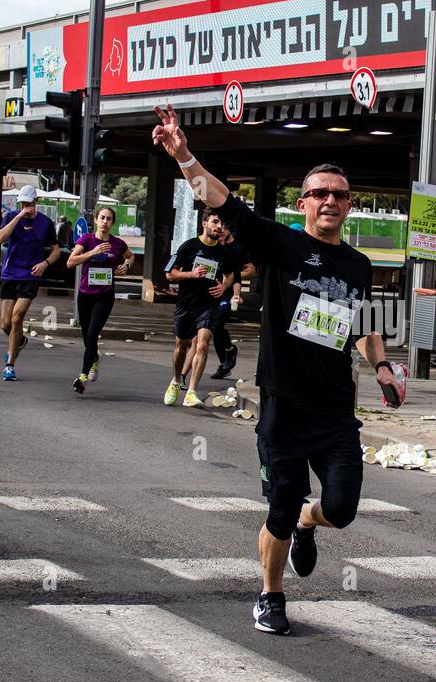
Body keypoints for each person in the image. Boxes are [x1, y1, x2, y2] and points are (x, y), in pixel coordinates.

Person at [152, 104, 402, 636]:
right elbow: (223, 200)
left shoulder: (359, 265)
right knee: (281, 508)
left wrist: (381, 366)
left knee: (340, 508)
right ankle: (270, 594)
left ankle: (312, 524)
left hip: (334, 410)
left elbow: (364, 324)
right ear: (303, 203)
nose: (330, 200)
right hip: (283, 405)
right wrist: (183, 155)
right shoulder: (281, 244)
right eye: (320, 193)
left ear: (349, 205)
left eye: (339, 194)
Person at [164, 207, 236, 409]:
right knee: (181, 345)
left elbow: (230, 275)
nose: (219, 227)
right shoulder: (189, 246)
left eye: (222, 224)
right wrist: (192, 274)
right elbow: (170, 274)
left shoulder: (224, 251)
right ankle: (177, 380)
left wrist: (224, 286)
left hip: (208, 305)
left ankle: (192, 392)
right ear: (204, 223)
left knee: (203, 343)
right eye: (215, 222)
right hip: (186, 304)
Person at [0, 185, 60, 381]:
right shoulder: (11, 217)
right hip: (10, 273)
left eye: (29, 203)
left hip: (30, 275)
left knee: (17, 318)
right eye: (23, 203)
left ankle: (10, 365)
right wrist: (17, 218)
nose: (26, 206)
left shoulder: (45, 223)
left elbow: (56, 250)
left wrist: (45, 263)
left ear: (36, 201)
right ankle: (20, 341)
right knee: (6, 324)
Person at [66, 204, 132, 394]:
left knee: (93, 334)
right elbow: (70, 262)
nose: (105, 222)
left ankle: (82, 377)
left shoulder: (117, 243)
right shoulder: (86, 240)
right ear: (95, 220)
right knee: (87, 336)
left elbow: (130, 256)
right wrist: (93, 252)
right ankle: (94, 358)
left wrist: (126, 265)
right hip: (85, 294)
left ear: (112, 223)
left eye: (109, 219)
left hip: (104, 296)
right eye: (102, 218)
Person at [208, 219, 253, 381]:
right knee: (213, 328)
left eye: (225, 227)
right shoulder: (215, 246)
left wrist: (235, 288)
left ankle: (228, 354)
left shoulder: (237, 249)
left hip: (229, 292)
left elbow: (245, 272)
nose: (221, 230)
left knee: (218, 322)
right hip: (213, 290)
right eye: (219, 227)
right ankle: (226, 357)